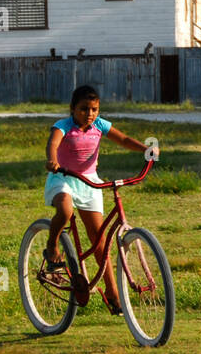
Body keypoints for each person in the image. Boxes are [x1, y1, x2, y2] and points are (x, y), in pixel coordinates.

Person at [43, 84, 156, 313]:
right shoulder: (63, 126)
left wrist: (145, 149)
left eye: (94, 109)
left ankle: (113, 294)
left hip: (89, 181)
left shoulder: (99, 125)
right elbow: (53, 144)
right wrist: (53, 160)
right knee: (65, 212)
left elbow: (122, 139)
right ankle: (52, 246)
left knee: (99, 242)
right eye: (84, 109)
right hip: (63, 178)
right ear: (73, 109)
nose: (90, 114)